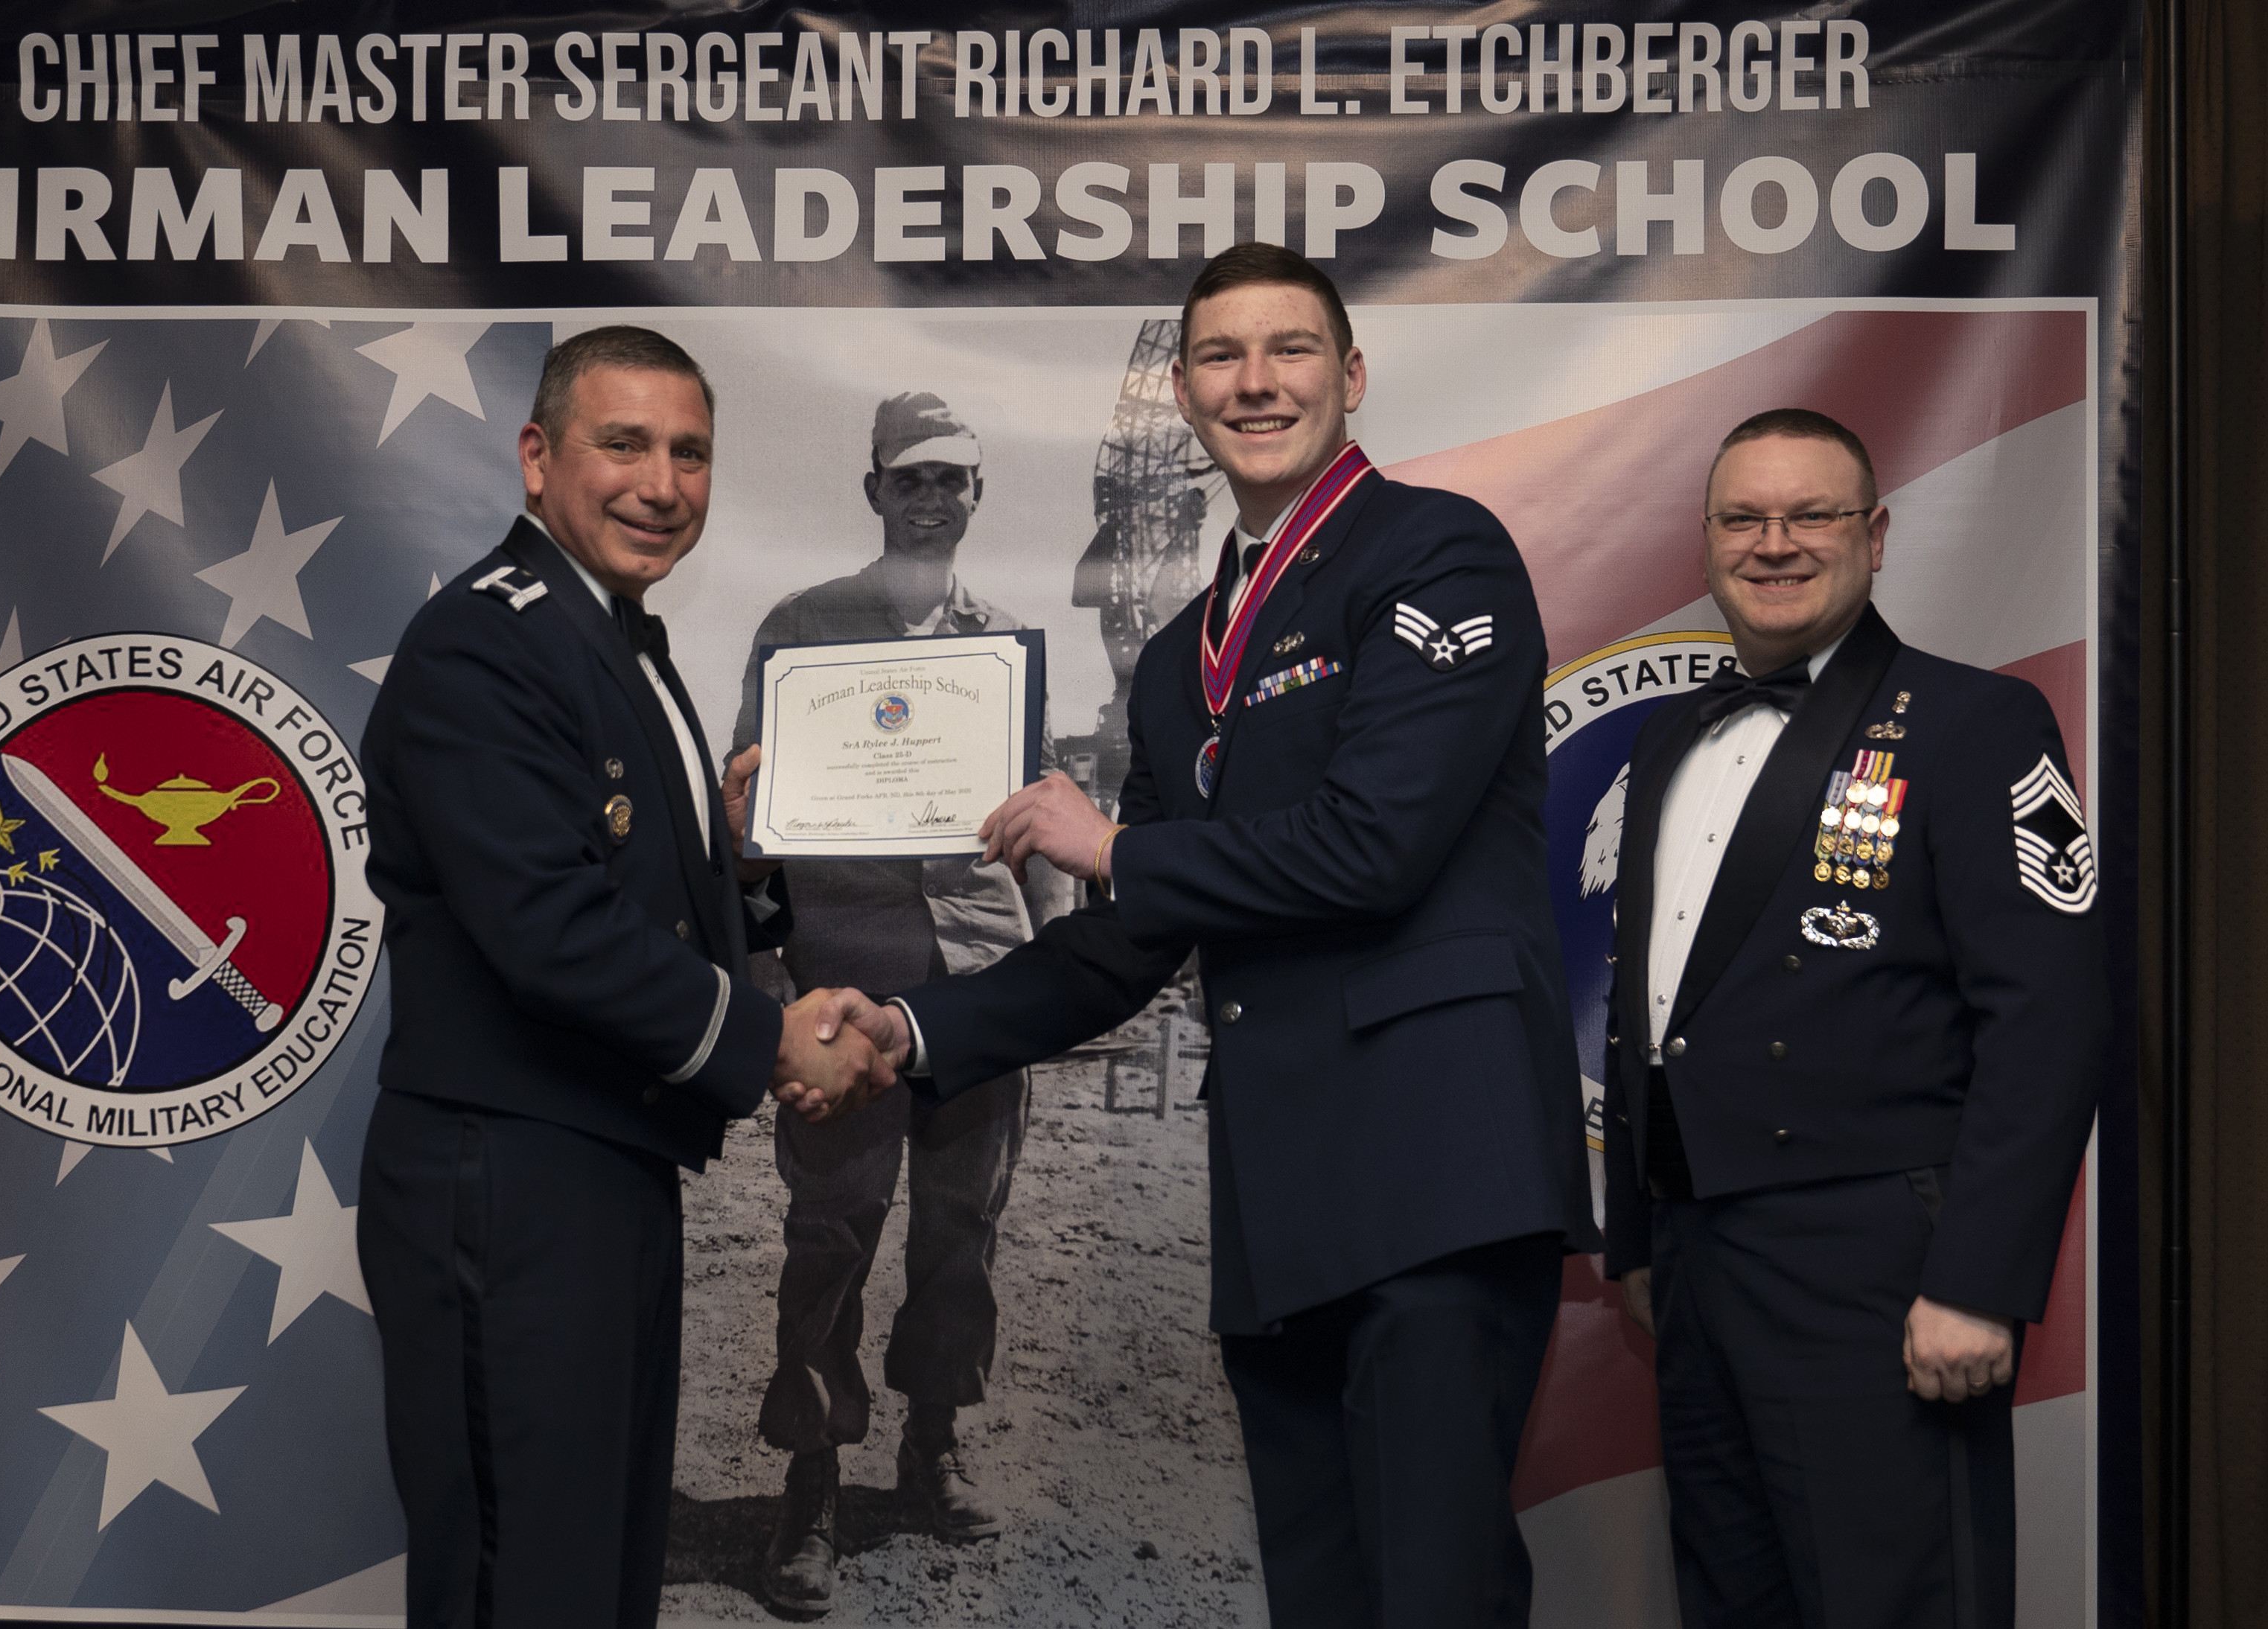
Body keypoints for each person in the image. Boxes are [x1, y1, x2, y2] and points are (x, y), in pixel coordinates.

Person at [832, 243, 1598, 1629]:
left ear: (1350, 375)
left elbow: (1378, 846)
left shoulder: (1440, 552)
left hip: (1433, 1165)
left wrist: (1116, 845)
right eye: (1221, 358)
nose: (1256, 383)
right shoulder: (1189, 647)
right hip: (1281, 1189)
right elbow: (1130, 941)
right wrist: (913, 1028)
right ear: (1184, 395)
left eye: (1289, 350)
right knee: (1322, 1588)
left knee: (1434, 1592)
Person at [355, 325, 886, 1629]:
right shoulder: (485, 644)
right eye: (624, 444)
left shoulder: (612, 636)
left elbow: (626, 880)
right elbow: (546, 925)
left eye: (690, 452)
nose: (661, 482)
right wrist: (771, 1038)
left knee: (593, 1573)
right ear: (538, 458)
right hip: (509, 1177)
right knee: (521, 1580)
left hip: (601, 1164)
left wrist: (743, 869)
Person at [1596, 408, 2105, 1628]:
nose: (1775, 544)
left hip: (1880, 1274)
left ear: (1874, 536)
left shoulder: (1975, 726)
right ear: (1707, 541)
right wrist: (1634, 1238)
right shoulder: (1668, 737)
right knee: (1734, 1601)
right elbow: (1647, 1004)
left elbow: (2049, 1017)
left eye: (1811, 515)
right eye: (1743, 519)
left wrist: (1980, 1281)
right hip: (1697, 1260)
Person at [730, 393, 1073, 1617]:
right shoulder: (802, 628)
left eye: (954, 480)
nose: (932, 499)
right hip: (844, 987)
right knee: (831, 1237)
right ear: (873, 490)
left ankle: (931, 1443)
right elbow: (752, 838)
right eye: (911, 479)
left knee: (959, 1237)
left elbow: (1036, 821)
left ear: (977, 498)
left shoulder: (1011, 640)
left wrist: (1050, 957)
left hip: (979, 985)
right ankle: (812, 1478)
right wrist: (756, 876)